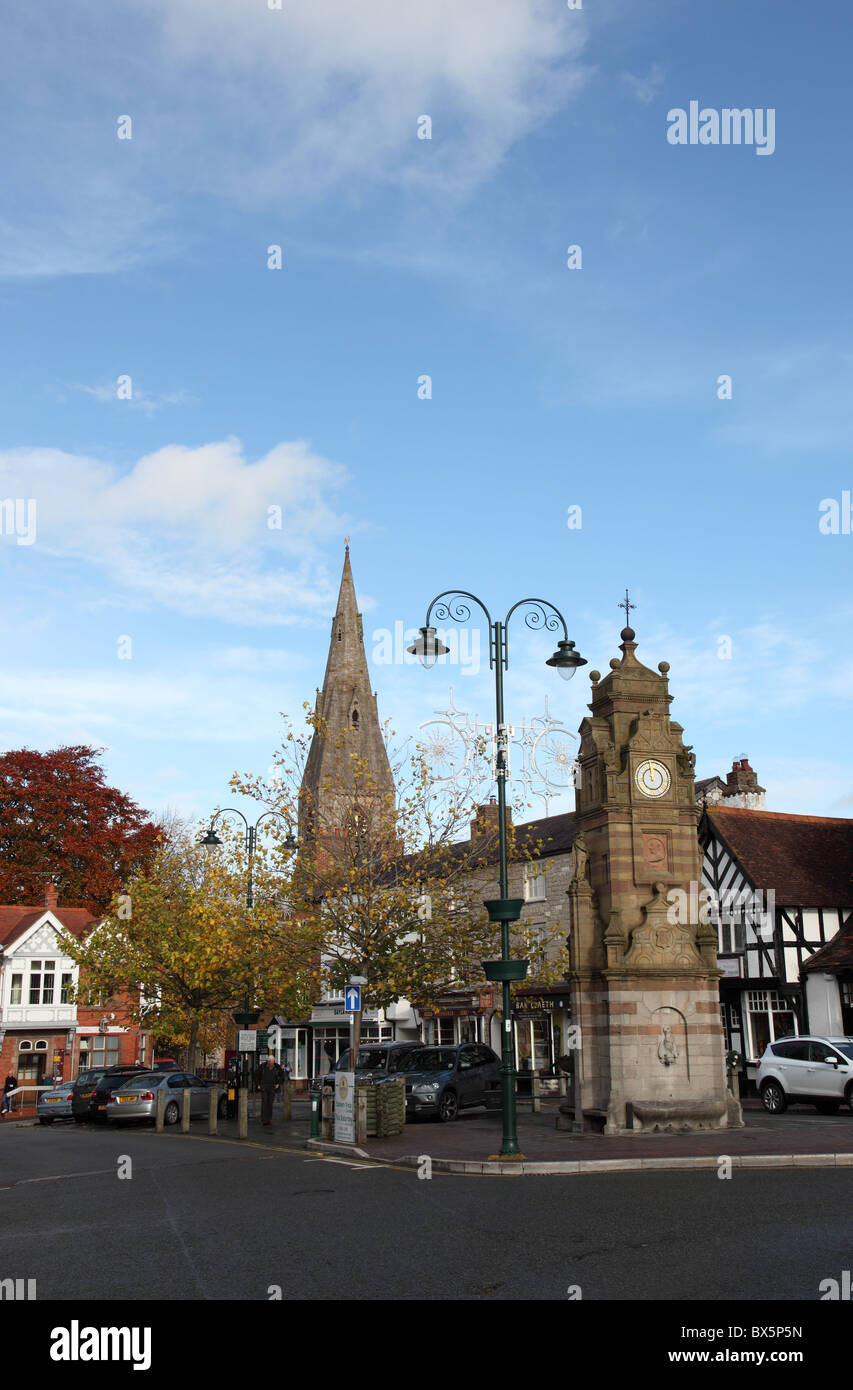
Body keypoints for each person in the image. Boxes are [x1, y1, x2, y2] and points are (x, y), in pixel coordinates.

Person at [258, 1055, 282, 1126]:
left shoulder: (277, 1067)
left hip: (272, 1088)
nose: (272, 1063)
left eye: (273, 1062)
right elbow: (257, 1075)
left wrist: (278, 1084)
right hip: (264, 1087)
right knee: (264, 1103)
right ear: (268, 1062)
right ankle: (264, 1119)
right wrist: (258, 1084)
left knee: (270, 1104)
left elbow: (282, 1076)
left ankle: (269, 1119)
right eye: (270, 1062)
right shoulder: (262, 1067)